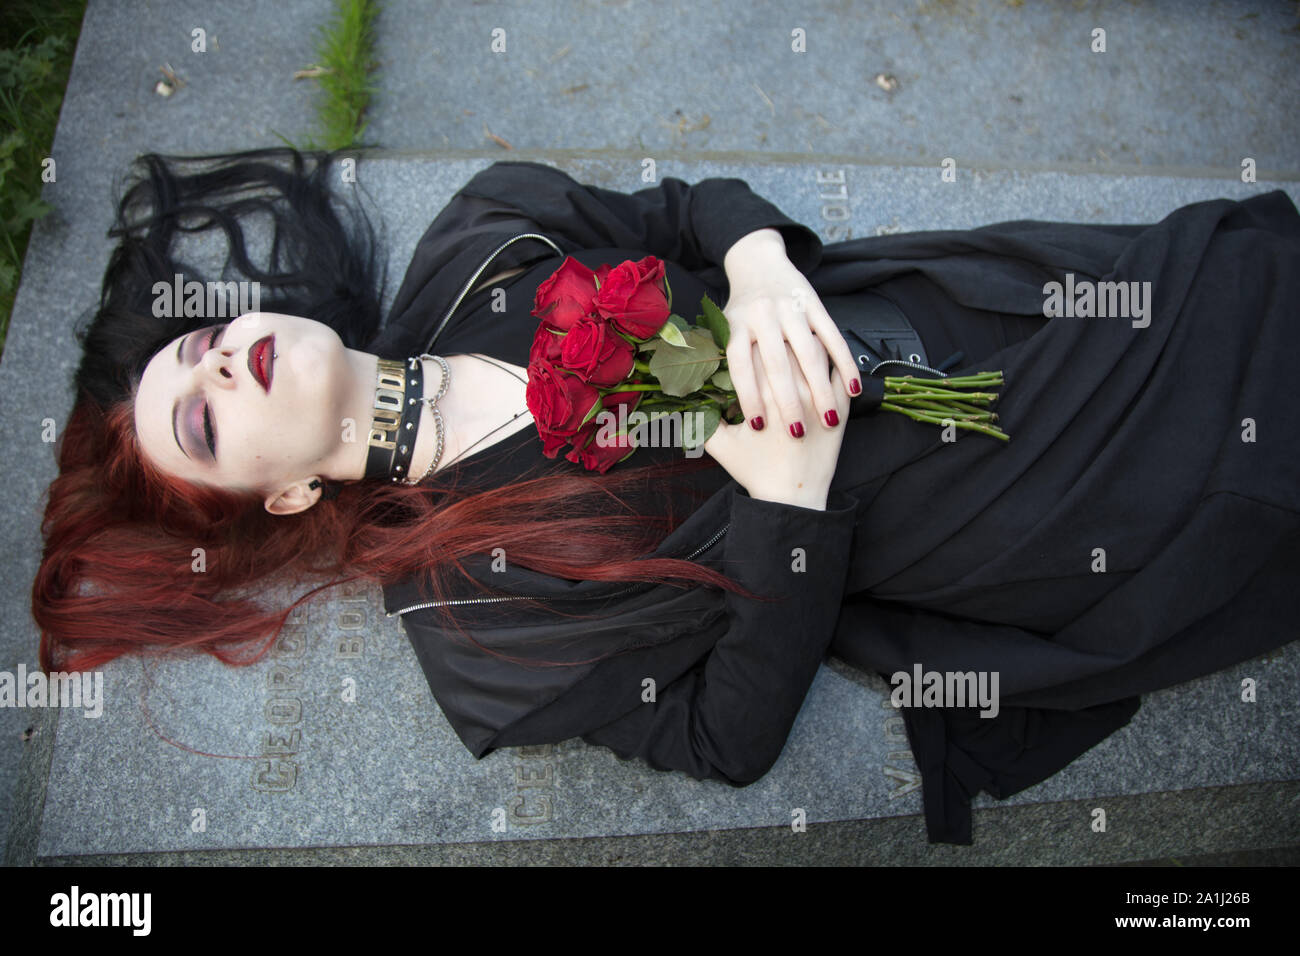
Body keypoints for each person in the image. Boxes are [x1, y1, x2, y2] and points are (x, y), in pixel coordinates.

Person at [33, 148, 1300, 845]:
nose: (214, 361)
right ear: (287, 489)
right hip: (1004, 513)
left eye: (195, 347)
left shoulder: (484, 234)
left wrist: (752, 266)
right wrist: (792, 504)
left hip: (951, 310)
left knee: (1254, 285)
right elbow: (724, 741)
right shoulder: (476, 637)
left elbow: (680, 207)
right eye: (202, 419)